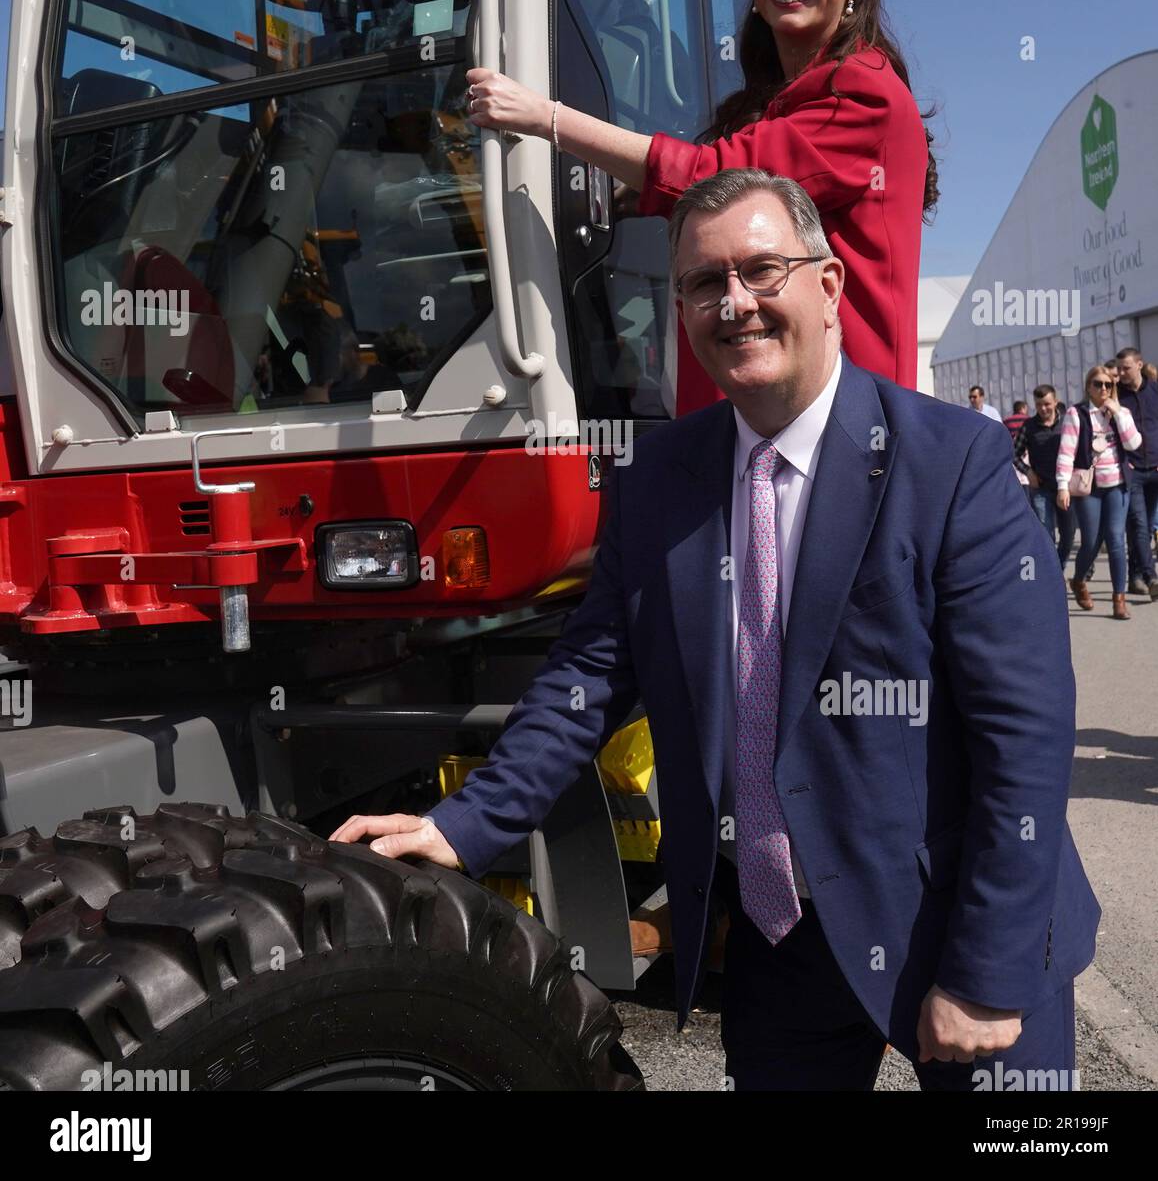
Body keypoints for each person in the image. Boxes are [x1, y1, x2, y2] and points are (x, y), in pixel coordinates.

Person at [332, 169, 1098, 1092]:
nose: (734, 303)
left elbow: (1025, 736)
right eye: (703, 282)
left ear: (828, 286)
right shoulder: (659, 479)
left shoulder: (955, 463)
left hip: (954, 910)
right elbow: (587, 677)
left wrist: (987, 971)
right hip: (780, 933)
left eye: (761, 269)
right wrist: (462, 826)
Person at [463, 0, 936, 412]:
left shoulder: (866, 94)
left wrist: (545, 117)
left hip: (837, 431)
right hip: (761, 423)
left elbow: (718, 179)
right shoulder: (774, 103)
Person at [1056, 365, 1141, 620]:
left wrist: (1119, 415)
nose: (1103, 388)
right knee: (1091, 542)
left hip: (1117, 484)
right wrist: (1062, 486)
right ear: (1088, 386)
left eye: (1108, 384)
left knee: (1116, 540)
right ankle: (1079, 579)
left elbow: (1134, 444)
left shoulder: (1120, 411)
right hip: (1088, 487)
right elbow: (1066, 451)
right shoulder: (1076, 413)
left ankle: (1119, 600)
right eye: (1098, 384)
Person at [1014, 384, 1076, 569]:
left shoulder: (1068, 423)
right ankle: (1052, 573)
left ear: (1055, 402)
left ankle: (1059, 566)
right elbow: (1013, 453)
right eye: (1039, 404)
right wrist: (1028, 472)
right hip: (1041, 488)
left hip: (1066, 488)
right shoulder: (1029, 426)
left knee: (1069, 535)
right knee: (1046, 534)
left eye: (1047, 404)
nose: (1043, 408)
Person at [1115, 345, 1158, 600]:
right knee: (1140, 524)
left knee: (1140, 526)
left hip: (1155, 466)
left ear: (1139, 365)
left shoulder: (1155, 390)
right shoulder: (1117, 395)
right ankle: (1151, 576)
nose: (1121, 372)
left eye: (1126, 368)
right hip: (1131, 470)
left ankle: (1134, 577)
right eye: (1119, 368)